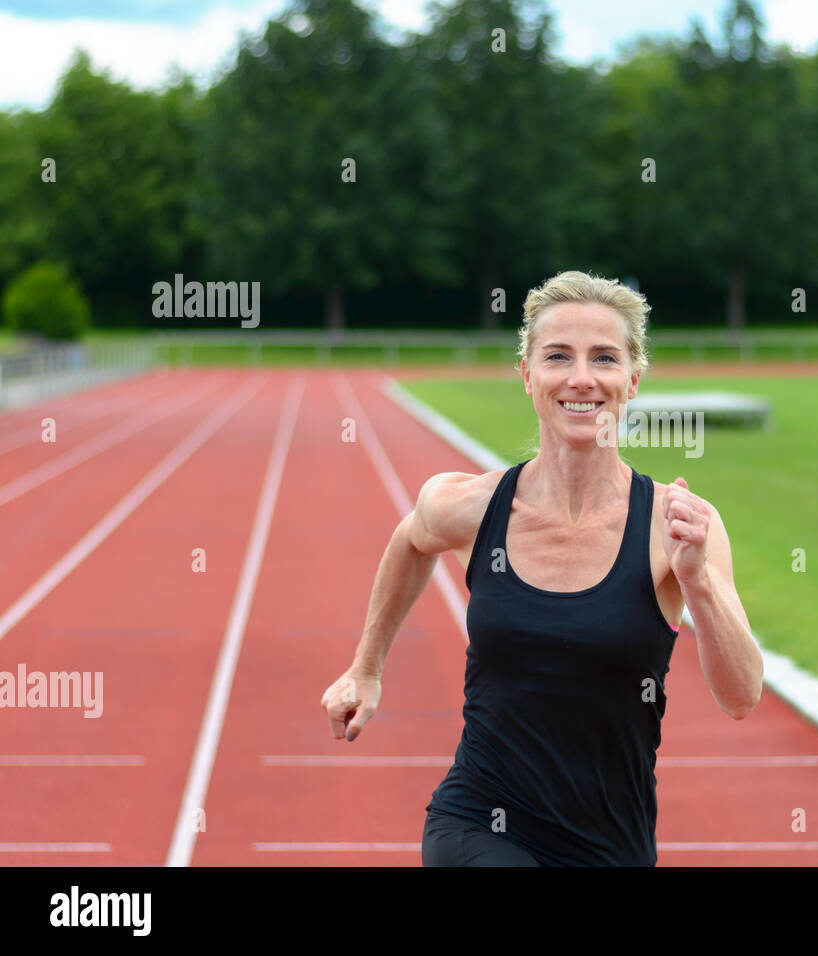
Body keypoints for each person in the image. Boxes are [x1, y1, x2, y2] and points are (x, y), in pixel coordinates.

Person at [320, 270, 762, 866]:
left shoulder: (680, 526)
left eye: (603, 358)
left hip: (612, 842)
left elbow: (741, 696)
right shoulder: (474, 508)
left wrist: (698, 584)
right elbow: (411, 539)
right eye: (558, 357)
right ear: (528, 375)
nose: (581, 378)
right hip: (480, 820)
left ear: (632, 380)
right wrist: (365, 668)